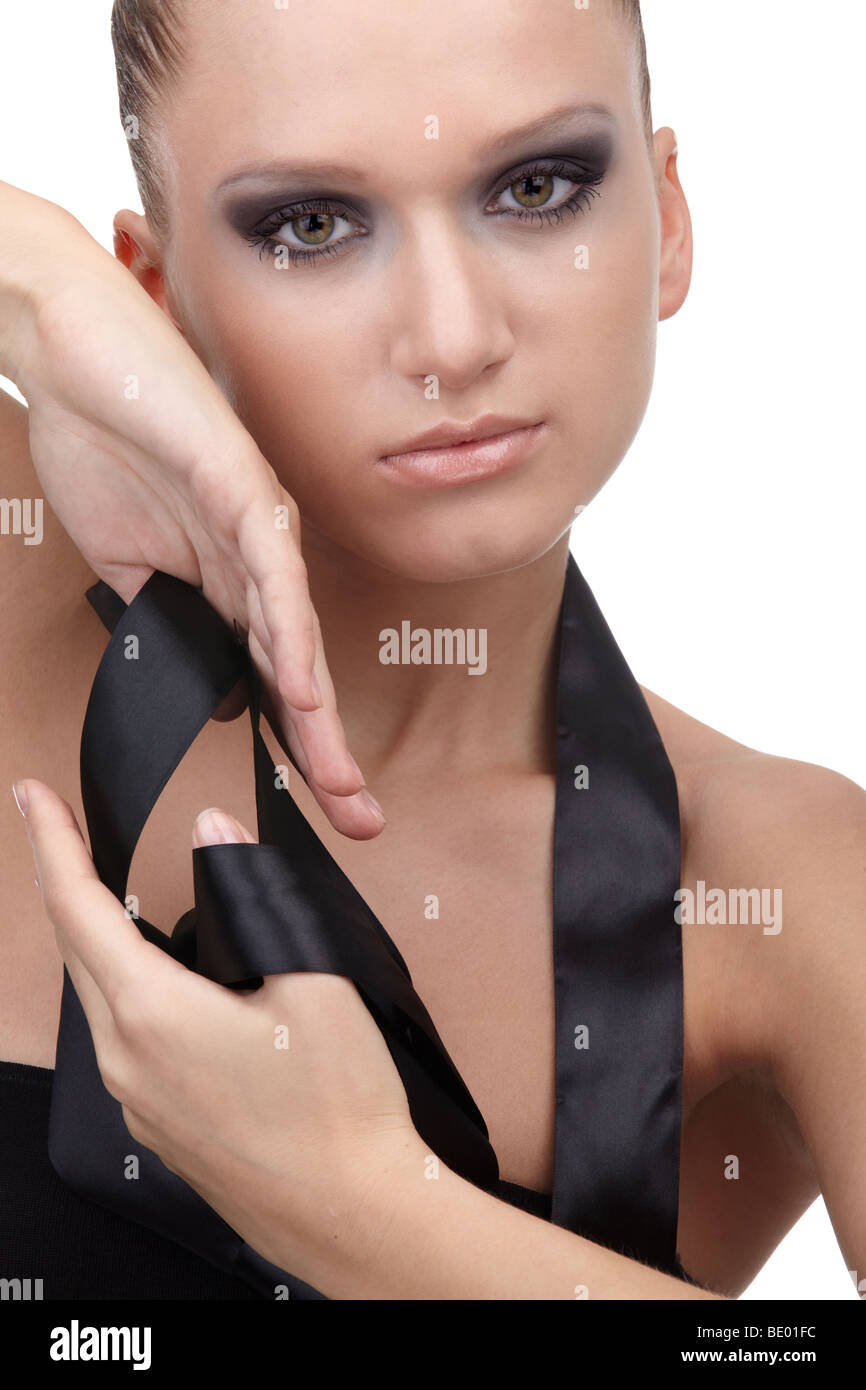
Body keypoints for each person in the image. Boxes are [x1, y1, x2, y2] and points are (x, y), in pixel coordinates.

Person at [1, 0, 863, 1300]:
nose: (451, 340)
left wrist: (363, 1203)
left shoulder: (780, 874)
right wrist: (38, 289)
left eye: (534, 187)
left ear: (668, 219)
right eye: (308, 225)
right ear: (153, 290)